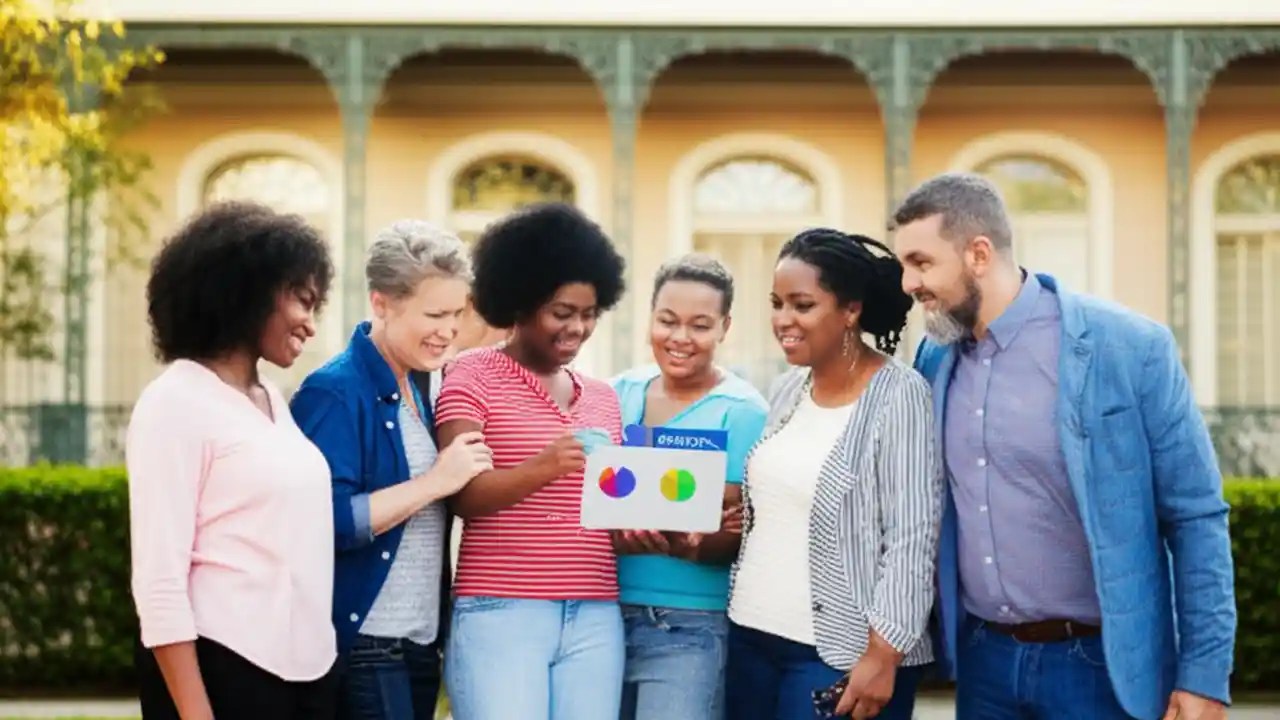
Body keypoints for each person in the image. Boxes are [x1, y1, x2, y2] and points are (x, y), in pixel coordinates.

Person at [894, 172, 1237, 720]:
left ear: (979, 253)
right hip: (985, 664)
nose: (908, 283)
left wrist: (1204, 675)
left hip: (1100, 668)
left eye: (921, 262)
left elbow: (1196, 517)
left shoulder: (1130, 347)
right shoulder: (934, 361)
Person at [127, 201, 338, 719]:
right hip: (225, 669)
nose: (310, 324)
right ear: (246, 292)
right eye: (302, 302)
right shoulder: (174, 402)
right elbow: (158, 581)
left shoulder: (270, 397)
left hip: (310, 674)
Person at [725, 228, 940, 720]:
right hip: (750, 636)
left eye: (802, 305)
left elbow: (912, 537)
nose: (784, 321)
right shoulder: (786, 390)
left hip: (838, 655)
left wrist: (884, 654)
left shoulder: (899, 394)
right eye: (777, 303)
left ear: (850, 310)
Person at [290, 220, 494, 720]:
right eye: (434, 314)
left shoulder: (423, 386)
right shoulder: (334, 392)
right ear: (381, 303)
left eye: (456, 313)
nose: (449, 329)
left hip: (418, 641)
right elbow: (329, 521)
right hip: (367, 646)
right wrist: (436, 483)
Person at [435, 202, 628, 720]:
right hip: (501, 610)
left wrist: (645, 524)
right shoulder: (471, 374)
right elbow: (461, 496)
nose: (578, 329)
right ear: (518, 303)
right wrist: (541, 467)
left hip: (594, 611)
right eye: (561, 313)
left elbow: (610, 506)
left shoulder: (604, 398)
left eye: (589, 315)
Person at [610, 254, 769, 720]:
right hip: (599, 617)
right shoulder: (616, 393)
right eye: (667, 321)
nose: (680, 338)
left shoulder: (742, 411)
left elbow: (735, 531)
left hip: (689, 625)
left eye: (700, 325)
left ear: (725, 327)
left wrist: (689, 544)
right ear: (649, 319)